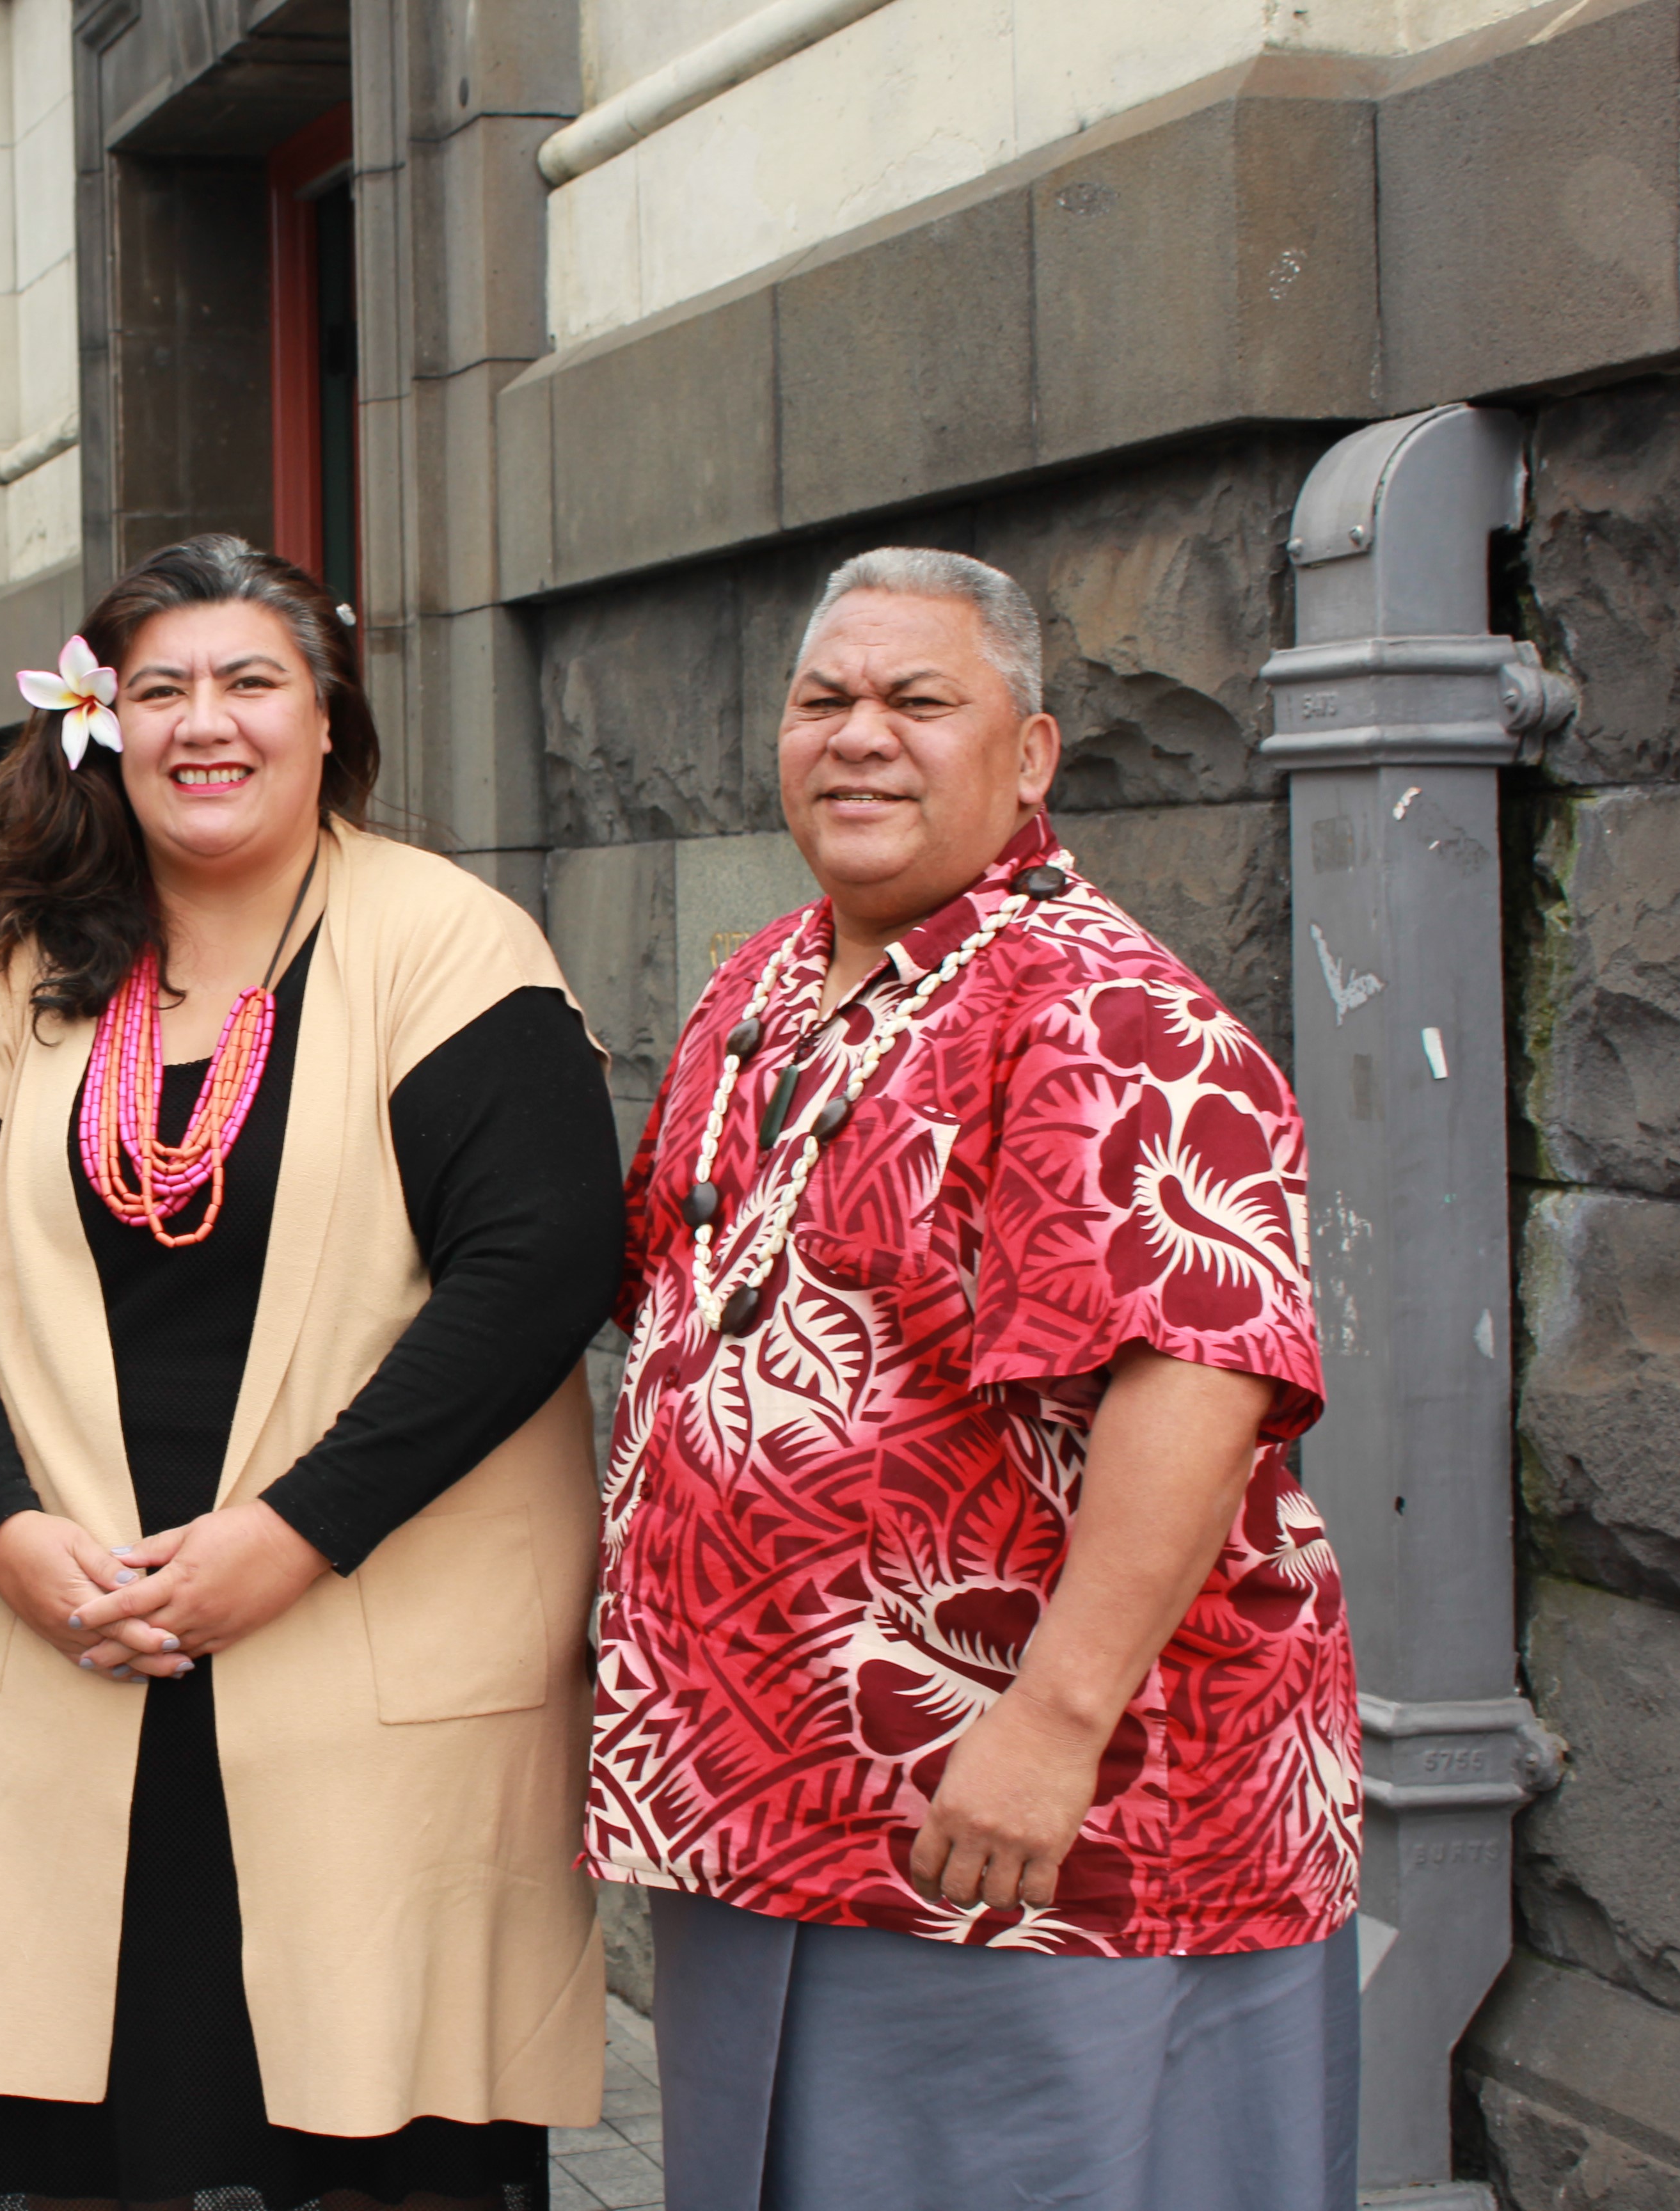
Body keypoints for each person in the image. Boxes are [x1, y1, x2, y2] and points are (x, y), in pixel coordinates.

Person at [0, 534, 621, 2211]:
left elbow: (535, 1272)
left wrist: (293, 1533)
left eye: (254, 681)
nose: (210, 722)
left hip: (361, 1667)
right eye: (163, 686)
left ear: (327, 718)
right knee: (77, 2146)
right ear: (103, 719)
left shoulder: (447, 948)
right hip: (73, 1652)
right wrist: (2, 1532)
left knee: (373, 2140)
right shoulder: (10, 969)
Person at [588, 548, 1356, 2211]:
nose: (861, 737)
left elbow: (1198, 1370)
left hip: (1014, 1807)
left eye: (918, 702)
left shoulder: (1110, 1012)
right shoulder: (768, 980)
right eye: (825, 700)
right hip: (758, 1789)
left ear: (1029, 757)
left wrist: (1053, 1721)